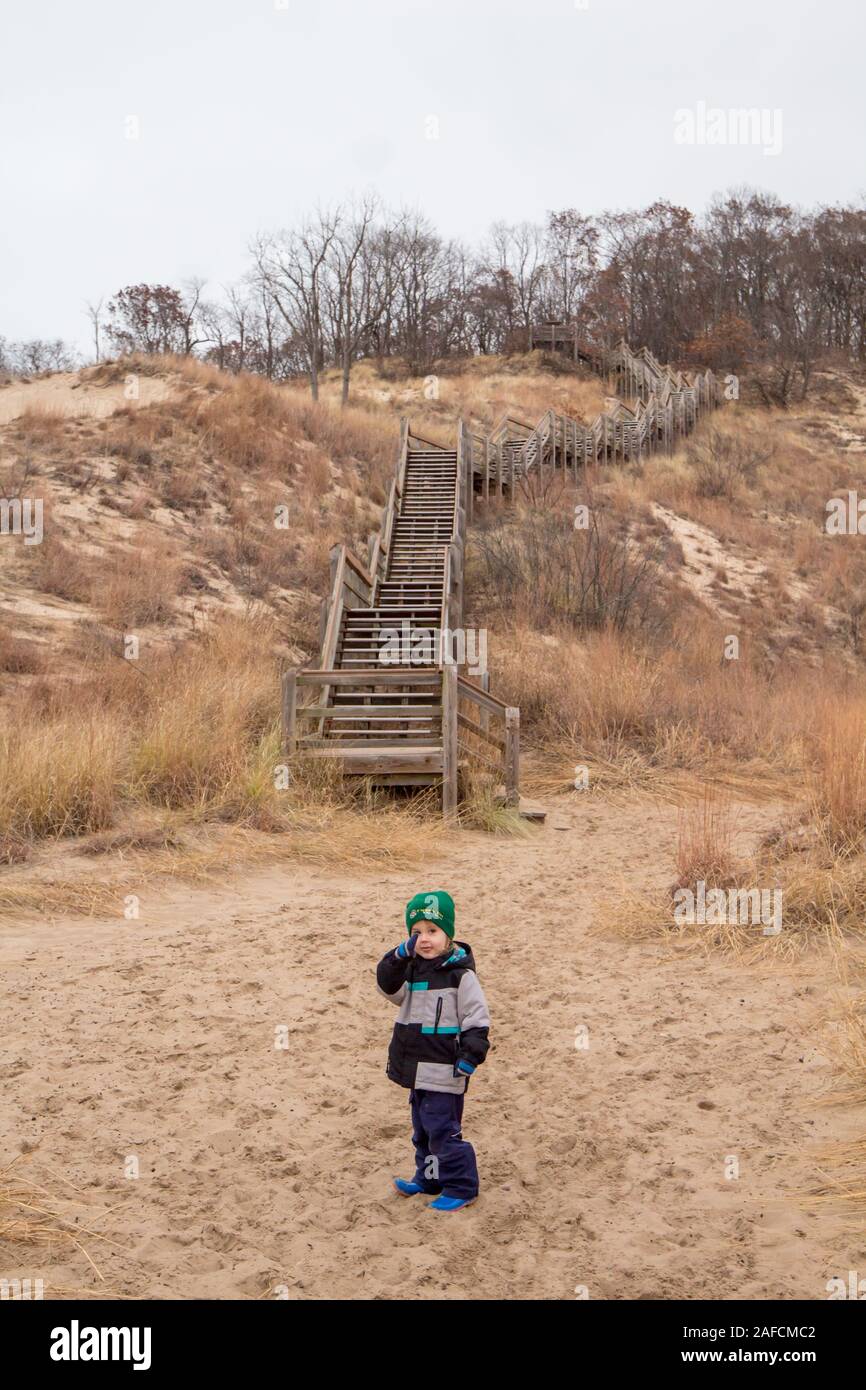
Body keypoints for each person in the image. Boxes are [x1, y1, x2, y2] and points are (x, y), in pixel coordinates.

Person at [376, 890, 490, 1211]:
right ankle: (429, 1178)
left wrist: (470, 1057)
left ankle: (462, 1186)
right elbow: (387, 986)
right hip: (417, 1070)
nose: (424, 939)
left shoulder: (461, 976)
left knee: (443, 1131)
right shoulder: (411, 971)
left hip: (445, 1069)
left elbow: (477, 1019)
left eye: (432, 931)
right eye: (416, 933)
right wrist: (398, 955)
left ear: (448, 934)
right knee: (423, 1132)